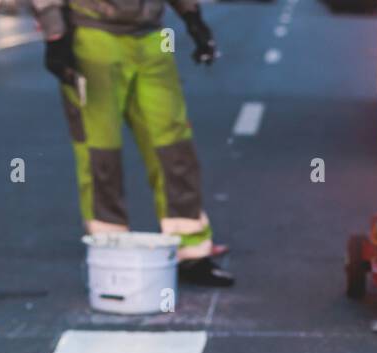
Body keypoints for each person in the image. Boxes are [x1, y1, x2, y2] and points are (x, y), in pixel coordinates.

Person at [32, 0, 234, 286]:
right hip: (92, 36)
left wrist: (193, 18)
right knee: (100, 152)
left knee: (175, 147)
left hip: (153, 37)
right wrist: (55, 35)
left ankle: (191, 252)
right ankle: (111, 255)